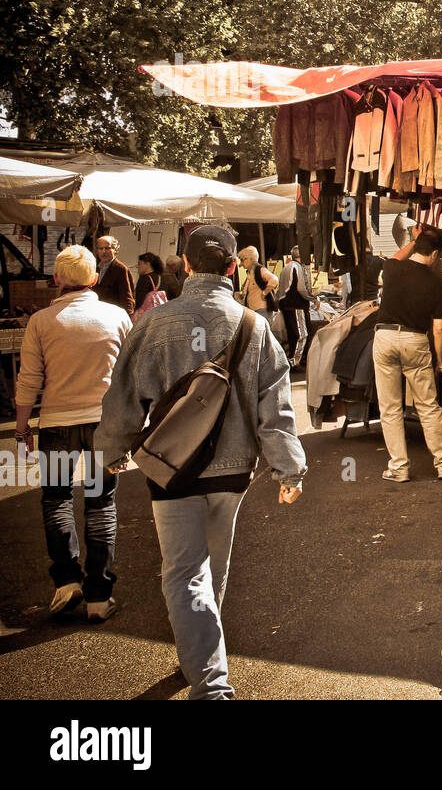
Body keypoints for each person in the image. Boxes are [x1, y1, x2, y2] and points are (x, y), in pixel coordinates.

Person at [96, 225, 306, 700]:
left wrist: (112, 452)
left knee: (183, 569)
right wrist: (288, 469)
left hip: (172, 466)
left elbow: (123, 398)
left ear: (186, 266)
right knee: (214, 565)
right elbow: (277, 408)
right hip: (233, 469)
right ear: (235, 268)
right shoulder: (255, 327)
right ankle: (201, 657)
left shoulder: (154, 323)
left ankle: (208, 679)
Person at [14, 245, 133, 621]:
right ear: (94, 279)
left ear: (56, 280)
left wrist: (21, 425)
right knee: (100, 503)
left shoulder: (42, 321)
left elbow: (29, 377)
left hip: (57, 424)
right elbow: (131, 373)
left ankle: (67, 581)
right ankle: (99, 596)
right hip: (105, 424)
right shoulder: (116, 316)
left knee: (56, 499)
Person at [372, 227, 442, 481]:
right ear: (436, 253)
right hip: (415, 340)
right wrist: (441, 362)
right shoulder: (438, 283)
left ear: (417, 246)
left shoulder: (392, 268)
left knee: (390, 408)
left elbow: (397, 255)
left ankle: (399, 468)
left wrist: (413, 240)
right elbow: (439, 328)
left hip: (384, 337)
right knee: (428, 405)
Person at [277, 246, 314, 369]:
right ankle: (295, 362)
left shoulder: (287, 267)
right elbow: (302, 288)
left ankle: (294, 360)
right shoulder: (297, 267)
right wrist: (312, 298)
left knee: (293, 334)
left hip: (286, 305)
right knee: (301, 334)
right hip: (296, 304)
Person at [92, 236, 135, 315]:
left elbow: (127, 298)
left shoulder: (120, 269)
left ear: (115, 249)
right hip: (97, 314)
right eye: (100, 248)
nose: (103, 252)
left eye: (107, 248)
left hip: (112, 315)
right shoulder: (96, 268)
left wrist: (127, 318)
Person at [237, 246, 279, 320]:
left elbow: (274, 279)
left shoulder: (260, 270)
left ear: (251, 259)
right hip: (254, 311)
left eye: (242, 260)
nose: (241, 264)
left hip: (262, 310)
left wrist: (264, 293)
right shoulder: (251, 273)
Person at [134, 252, 167, 319]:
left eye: (140, 264)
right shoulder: (159, 277)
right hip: (155, 315)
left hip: (143, 316)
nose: (137, 266)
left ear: (147, 264)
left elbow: (139, 300)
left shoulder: (145, 279)